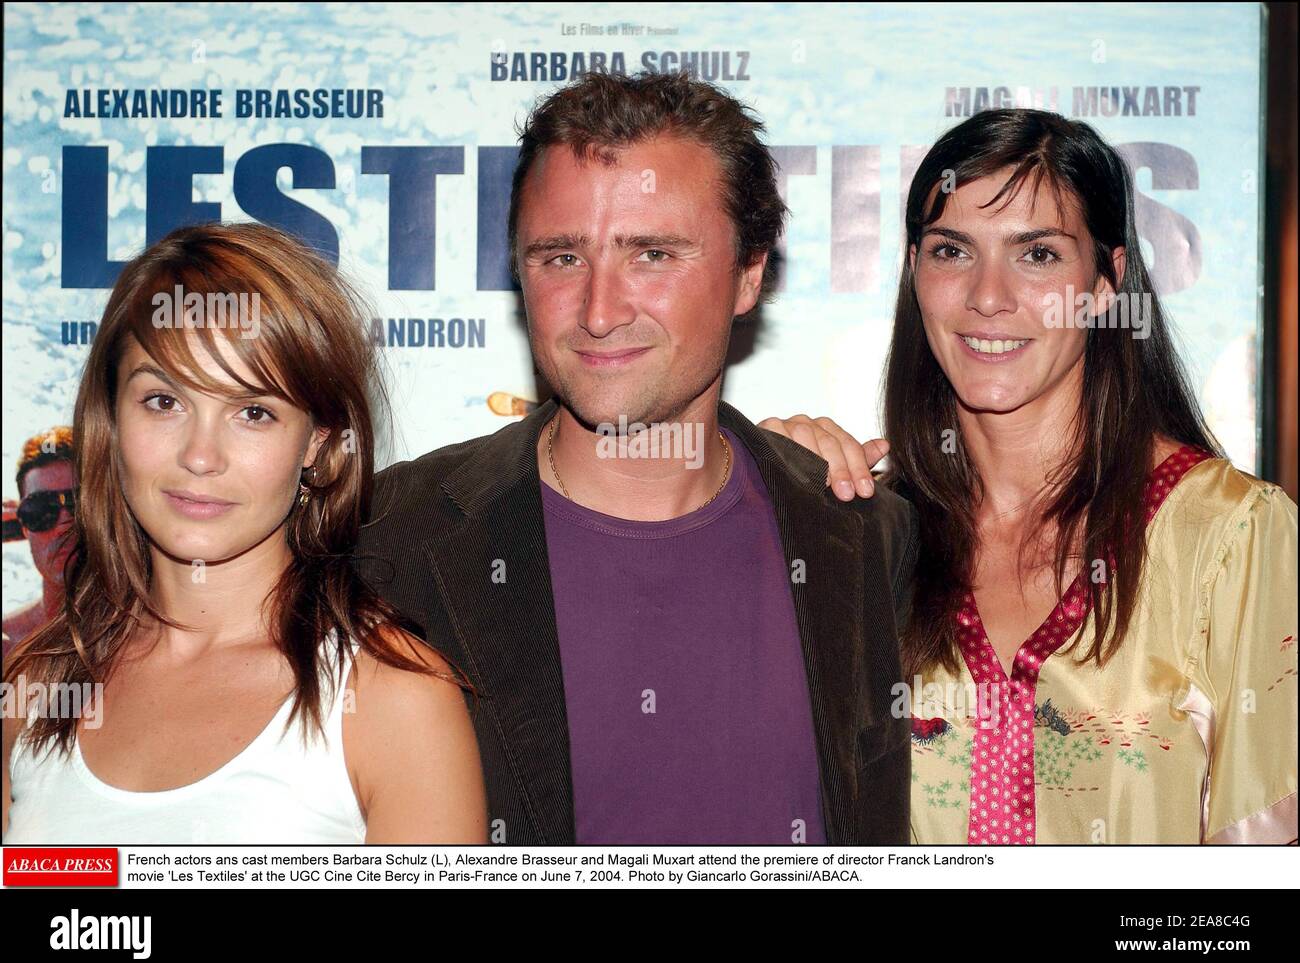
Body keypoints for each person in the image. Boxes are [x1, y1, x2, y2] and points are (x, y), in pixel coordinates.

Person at [357, 71, 918, 845]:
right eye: (560, 258)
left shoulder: (864, 538)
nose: (597, 310)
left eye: (651, 253)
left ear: (749, 274)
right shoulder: (389, 542)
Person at [877, 108, 1297, 844]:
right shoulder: (869, 535)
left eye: (1036, 255)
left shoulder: (1233, 537)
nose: (988, 295)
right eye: (952, 251)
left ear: (1107, 281)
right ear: (915, 271)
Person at [2, 223, 487, 845]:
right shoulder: (37, 688)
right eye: (163, 402)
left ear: (319, 441)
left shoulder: (395, 698)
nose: (201, 456)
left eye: (253, 412)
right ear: (111, 420)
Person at [2, 427, 76, 658]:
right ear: (24, 526)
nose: (64, 523)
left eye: (79, 504)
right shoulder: (7, 648)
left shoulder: (157, 632)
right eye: (40, 510)